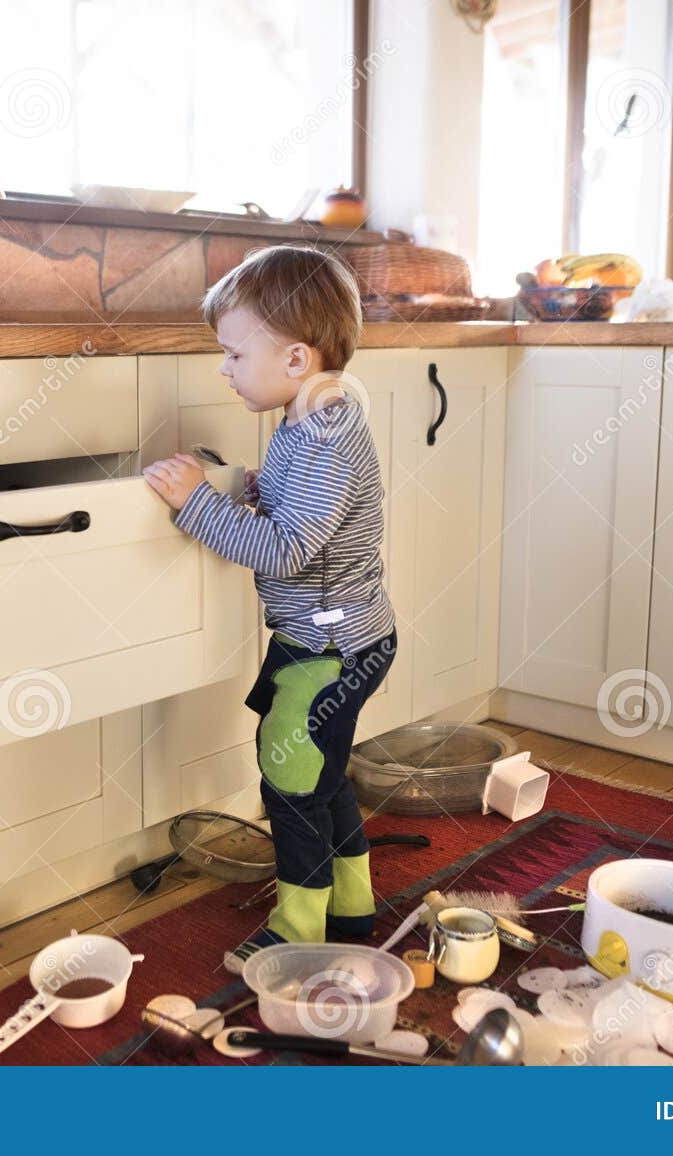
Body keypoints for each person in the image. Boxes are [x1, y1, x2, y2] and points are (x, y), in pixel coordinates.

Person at [142, 244, 397, 974]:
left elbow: (286, 552)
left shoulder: (319, 437)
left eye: (231, 354)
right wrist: (252, 486)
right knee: (321, 777)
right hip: (344, 637)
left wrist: (196, 502)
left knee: (288, 783)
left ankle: (296, 932)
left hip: (327, 649)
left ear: (294, 359)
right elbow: (305, 513)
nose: (223, 369)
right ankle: (350, 904)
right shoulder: (313, 417)